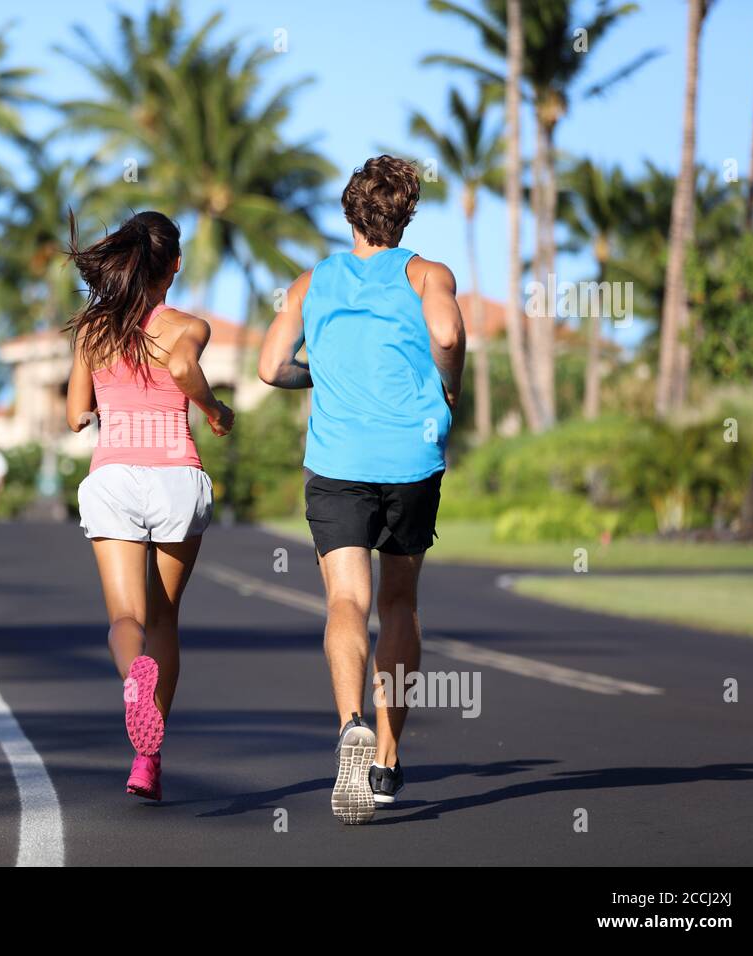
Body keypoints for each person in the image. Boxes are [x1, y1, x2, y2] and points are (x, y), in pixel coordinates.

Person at [258, 155, 465, 824]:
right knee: (400, 605)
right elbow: (448, 332)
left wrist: (320, 376)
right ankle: (388, 759)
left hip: (337, 459)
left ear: (349, 212)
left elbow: (269, 368)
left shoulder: (309, 281)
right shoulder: (428, 273)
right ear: (406, 214)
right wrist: (447, 387)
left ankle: (351, 722)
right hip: (410, 458)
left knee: (347, 599)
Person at [65, 210, 233, 802]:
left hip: (113, 478)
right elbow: (184, 368)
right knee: (165, 620)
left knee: (126, 621)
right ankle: (147, 761)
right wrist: (213, 411)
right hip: (176, 479)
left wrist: (103, 414)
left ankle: (133, 686)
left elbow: (74, 415)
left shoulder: (93, 330)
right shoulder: (188, 325)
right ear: (175, 265)